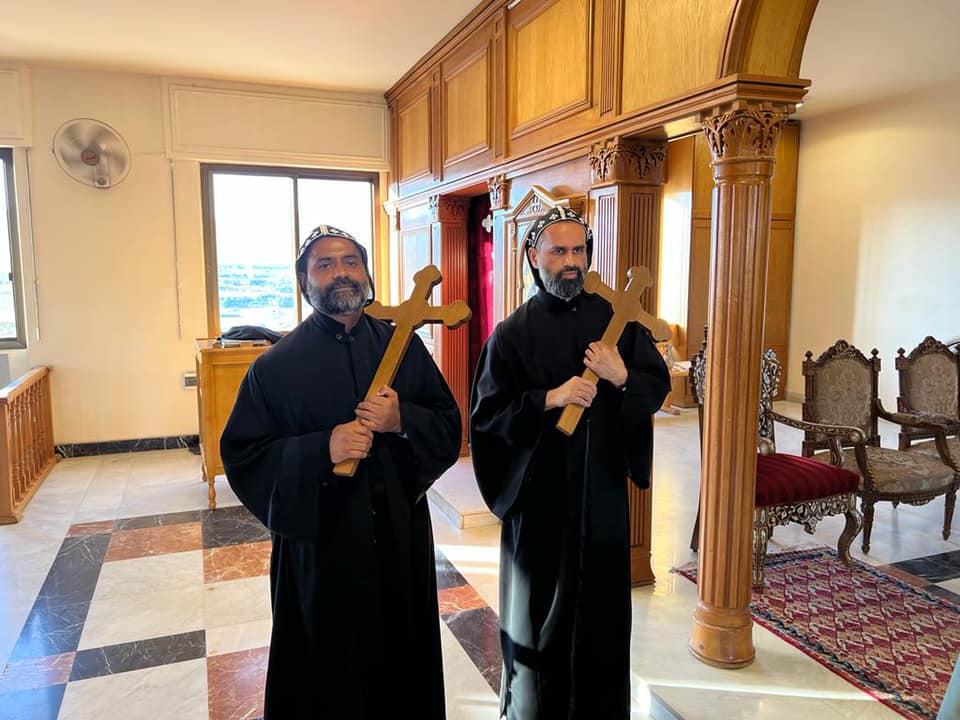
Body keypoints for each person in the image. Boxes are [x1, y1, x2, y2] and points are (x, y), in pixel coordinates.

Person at [220, 224, 461, 719]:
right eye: (325, 265)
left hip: (397, 539)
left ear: (367, 273)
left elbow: (448, 426)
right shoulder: (276, 367)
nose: (341, 273)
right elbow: (245, 456)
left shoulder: (403, 348)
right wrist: (320, 449)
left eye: (351, 262)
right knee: (328, 678)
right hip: (322, 549)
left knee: (401, 669)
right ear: (303, 280)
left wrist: (402, 420)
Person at [469, 207, 670, 719]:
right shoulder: (511, 334)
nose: (570, 262)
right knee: (539, 621)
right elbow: (487, 419)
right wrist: (548, 398)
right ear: (534, 257)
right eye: (558, 251)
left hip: (601, 493)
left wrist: (621, 376)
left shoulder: (617, 320)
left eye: (578, 250)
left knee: (601, 618)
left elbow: (655, 385)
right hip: (540, 497)